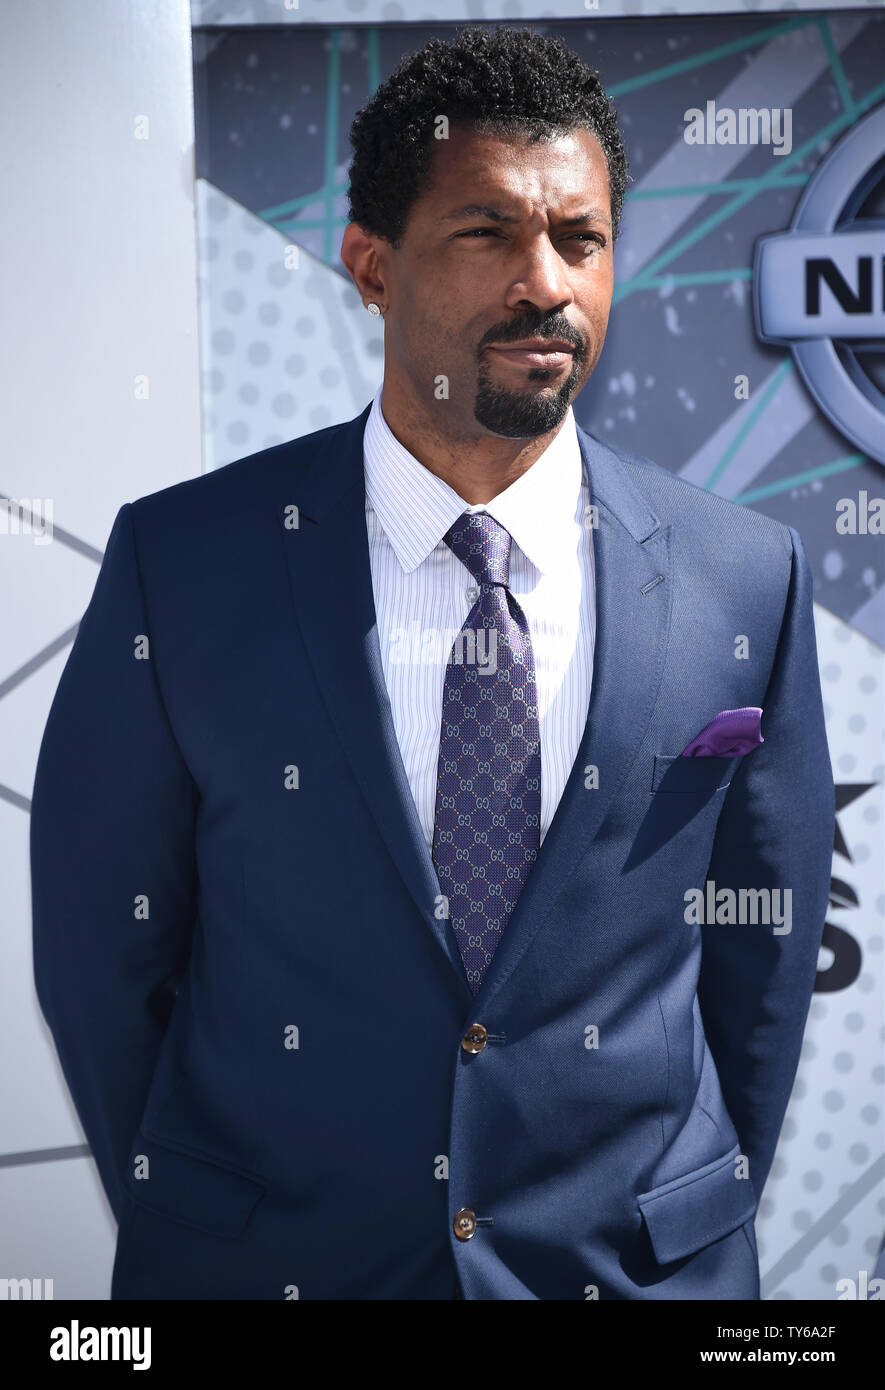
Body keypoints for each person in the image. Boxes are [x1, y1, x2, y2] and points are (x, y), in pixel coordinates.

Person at [31, 25, 834, 1300]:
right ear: (369, 265)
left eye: (582, 239)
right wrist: (220, 1214)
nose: (546, 284)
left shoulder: (747, 574)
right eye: (486, 234)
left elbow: (759, 957)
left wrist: (680, 1212)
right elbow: (102, 954)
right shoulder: (184, 565)